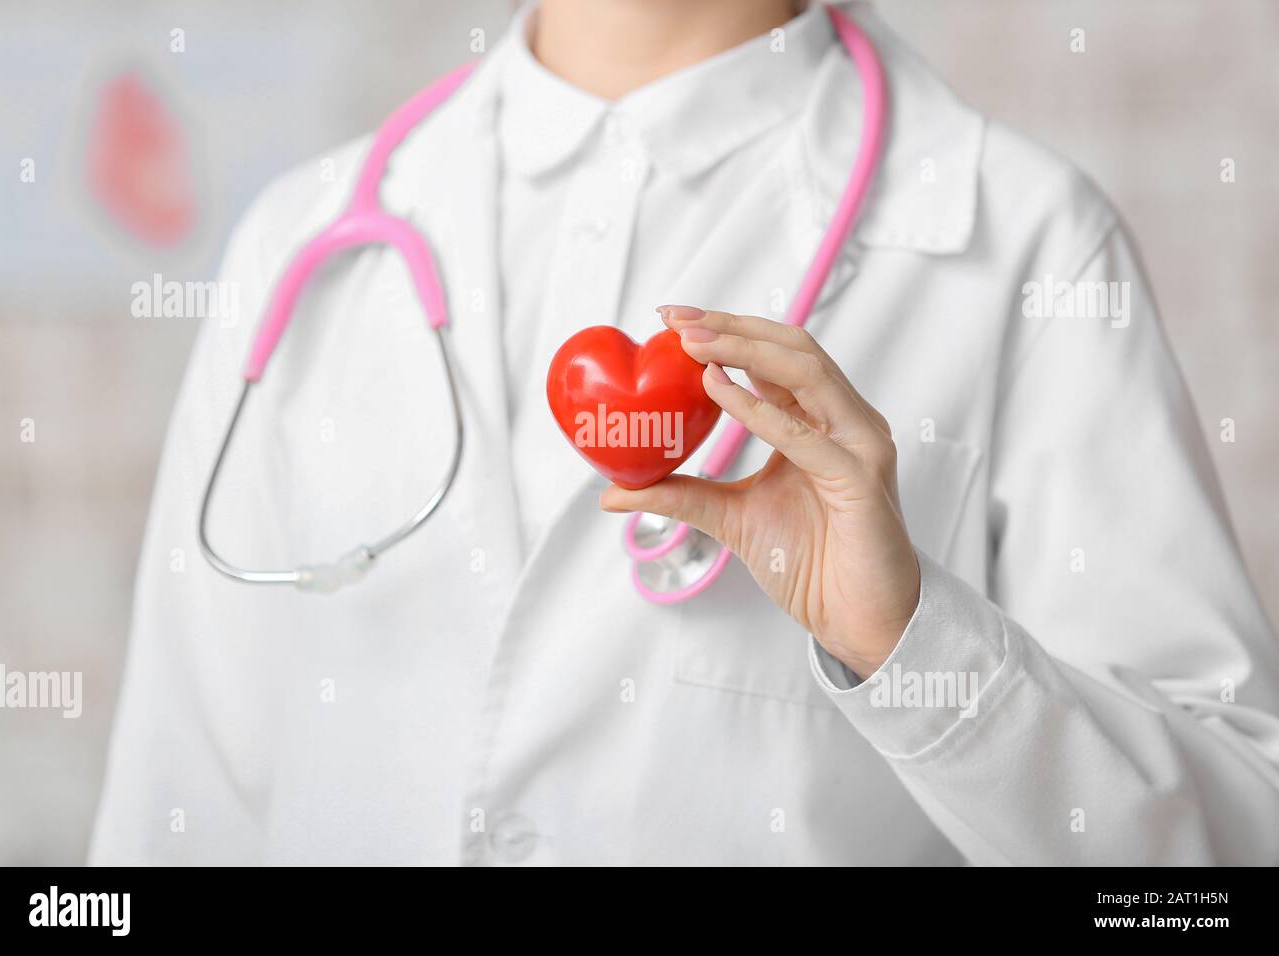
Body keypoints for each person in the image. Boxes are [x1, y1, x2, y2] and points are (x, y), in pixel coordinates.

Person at [90, 0, 1279, 865]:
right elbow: (171, 812)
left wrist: (909, 644)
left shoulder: (1021, 240)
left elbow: (1220, 860)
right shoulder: (301, 242)